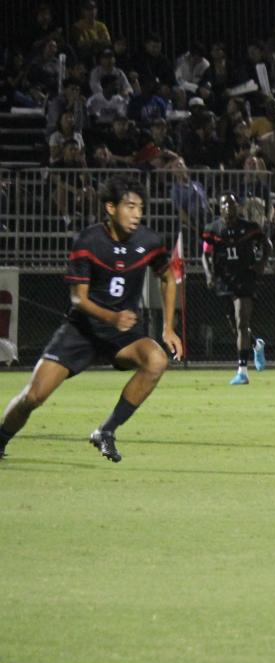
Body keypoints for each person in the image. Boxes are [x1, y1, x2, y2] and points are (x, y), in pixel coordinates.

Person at [0, 175, 181, 463]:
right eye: (130, 206)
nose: (137, 214)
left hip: (122, 334)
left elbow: (169, 277)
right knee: (33, 396)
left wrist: (169, 328)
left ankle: (106, 430)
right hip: (81, 330)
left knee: (156, 360)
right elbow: (78, 299)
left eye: (140, 208)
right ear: (111, 208)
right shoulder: (88, 241)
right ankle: (1, 440)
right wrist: (112, 316)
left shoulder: (149, 241)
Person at [200, 194, 270, 385]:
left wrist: (261, 263)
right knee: (235, 325)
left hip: (244, 277)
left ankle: (242, 371)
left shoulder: (249, 228)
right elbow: (205, 254)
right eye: (225, 204)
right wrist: (208, 273)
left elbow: (267, 244)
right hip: (225, 280)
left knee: (241, 321)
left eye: (232, 204)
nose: (228, 207)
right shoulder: (212, 229)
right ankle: (256, 344)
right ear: (220, 208)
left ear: (237, 207)